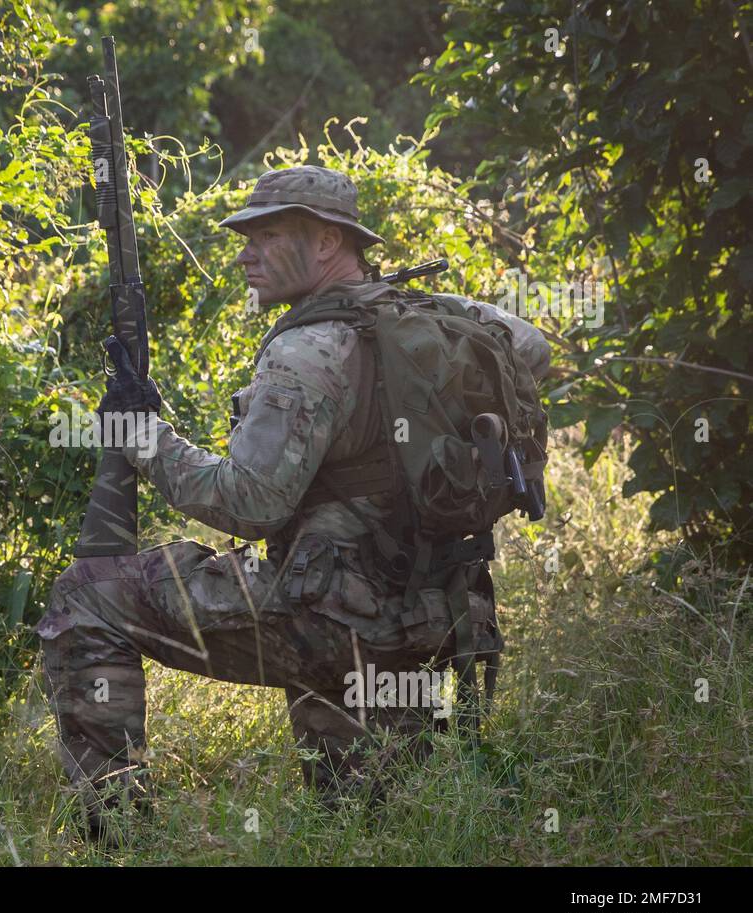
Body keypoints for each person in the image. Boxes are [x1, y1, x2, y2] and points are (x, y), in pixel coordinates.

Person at [36, 165, 551, 840]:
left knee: (86, 595)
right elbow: (532, 346)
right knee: (363, 826)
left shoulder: (309, 349)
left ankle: (116, 837)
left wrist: (141, 435)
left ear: (330, 241)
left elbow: (249, 505)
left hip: (329, 621)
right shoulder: (437, 321)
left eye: (267, 236)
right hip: (434, 615)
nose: (246, 253)